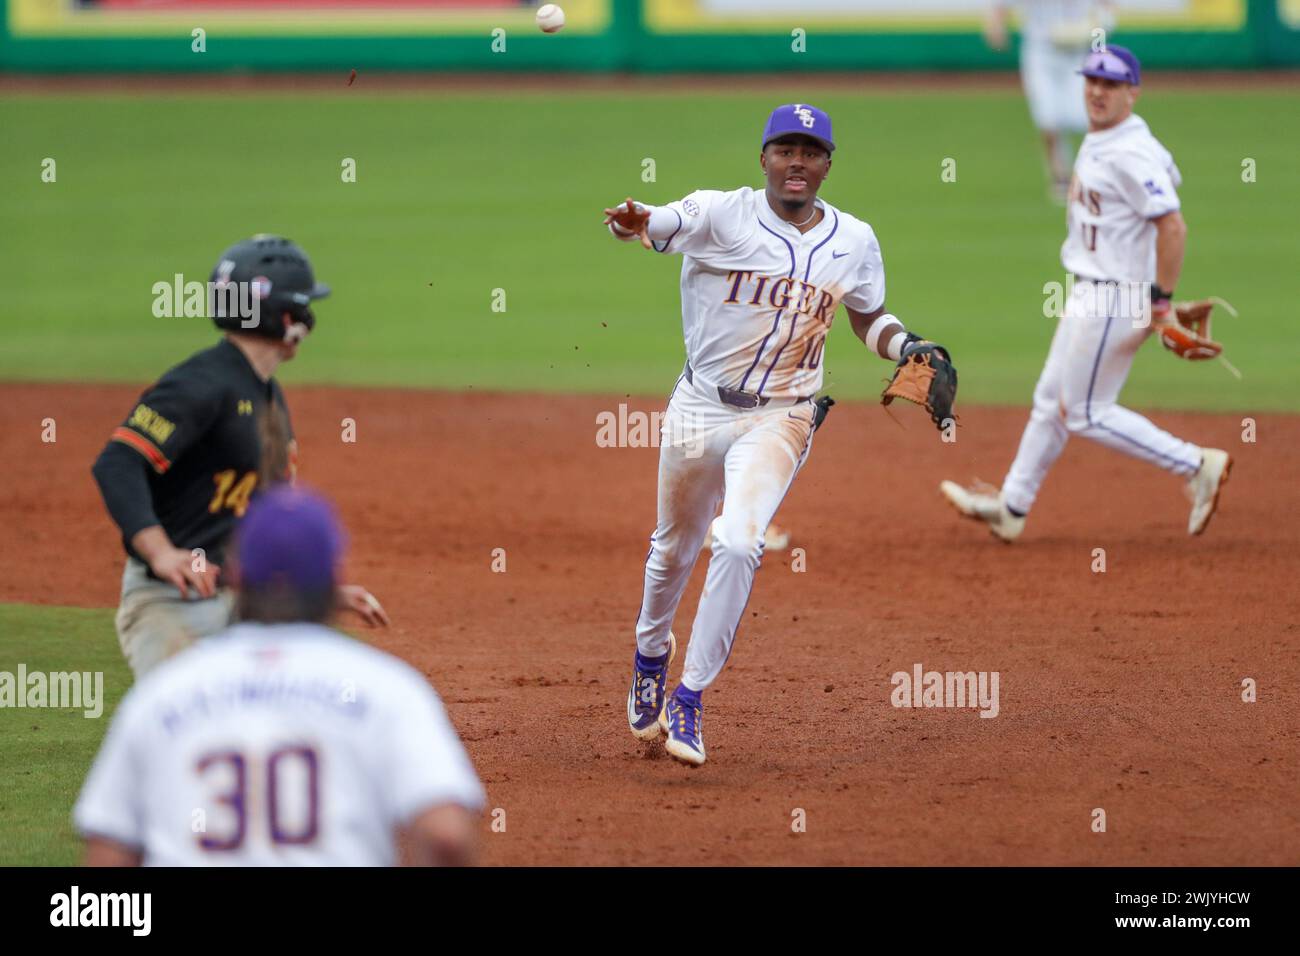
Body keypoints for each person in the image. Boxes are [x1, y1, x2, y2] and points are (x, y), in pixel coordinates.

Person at [603, 104, 955, 766]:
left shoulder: (854, 239)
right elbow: (660, 221)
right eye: (785, 149)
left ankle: (691, 698)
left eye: (811, 151)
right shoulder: (722, 212)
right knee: (672, 551)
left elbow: (866, 315)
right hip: (698, 409)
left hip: (784, 415)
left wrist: (906, 344)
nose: (798, 161)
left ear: (827, 164)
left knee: (739, 543)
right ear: (764, 157)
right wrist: (636, 221)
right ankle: (651, 653)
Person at [74, 486, 484, 866]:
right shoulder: (389, 689)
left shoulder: (161, 693)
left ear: (236, 577)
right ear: (335, 578)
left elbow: (108, 850)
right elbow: (446, 836)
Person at [940, 46, 1231, 541]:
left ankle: (1196, 463)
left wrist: (1159, 300)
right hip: (1091, 292)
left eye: (1111, 84)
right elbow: (1159, 189)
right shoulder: (1111, 138)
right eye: (1092, 80)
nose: (1097, 91)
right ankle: (1012, 505)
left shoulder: (1130, 151)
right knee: (1050, 400)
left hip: (1113, 299)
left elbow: (1173, 226)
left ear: (1132, 93)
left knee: (1086, 412)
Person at [91, 235, 387, 679]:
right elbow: (117, 461)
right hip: (171, 607)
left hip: (235, 604)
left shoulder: (265, 392)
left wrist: (318, 590)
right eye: (307, 306)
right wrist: (162, 554)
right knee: (192, 736)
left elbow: (260, 509)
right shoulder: (200, 384)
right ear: (287, 317)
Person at [985, 0, 1116, 201]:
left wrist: (1099, 26)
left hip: (1076, 53)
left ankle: (1096, 173)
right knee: (1047, 118)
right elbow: (1000, 7)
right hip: (1040, 52)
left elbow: (1107, 8)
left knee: (1081, 118)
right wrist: (996, 25)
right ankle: (1060, 176)